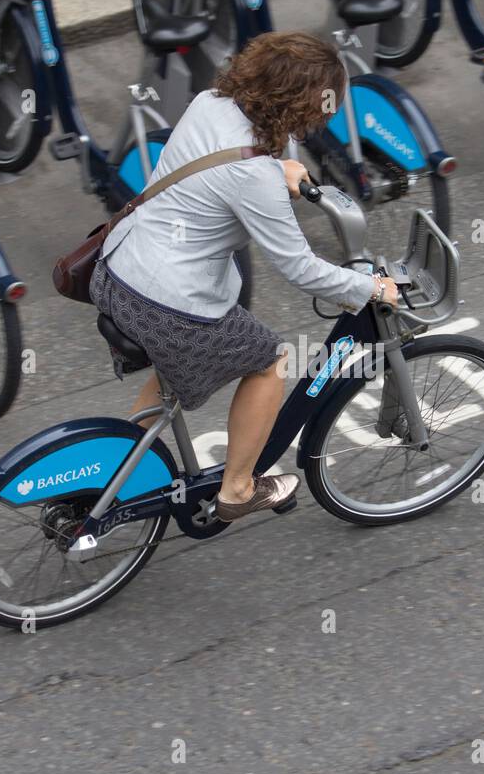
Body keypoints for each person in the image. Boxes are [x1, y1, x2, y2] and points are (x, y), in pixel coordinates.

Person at [90, 31, 399, 523]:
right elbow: (298, 266)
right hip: (167, 304)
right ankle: (237, 489)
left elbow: (216, 167)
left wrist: (277, 167)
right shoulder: (254, 177)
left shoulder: (210, 102)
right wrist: (369, 287)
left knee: (173, 366)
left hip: (117, 269)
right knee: (270, 361)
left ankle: (117, 467)